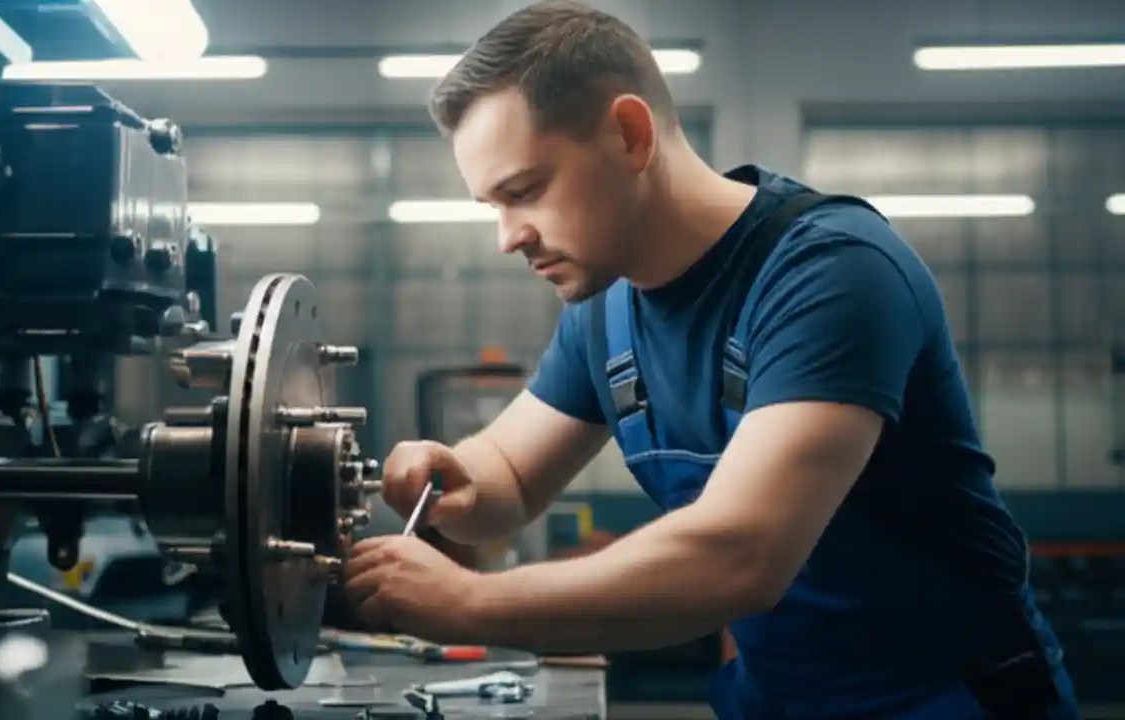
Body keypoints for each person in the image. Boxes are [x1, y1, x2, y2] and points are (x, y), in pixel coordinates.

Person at [342, 1, 1080, 717]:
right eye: (491, 207)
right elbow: (505, 474)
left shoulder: (831, 274)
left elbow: (739, 554)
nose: (508, 236)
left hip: (943, 699)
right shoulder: (605, 308)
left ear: (630, 135)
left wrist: (468, 603)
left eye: (525, 191)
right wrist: (449, 477)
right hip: (785, 698)